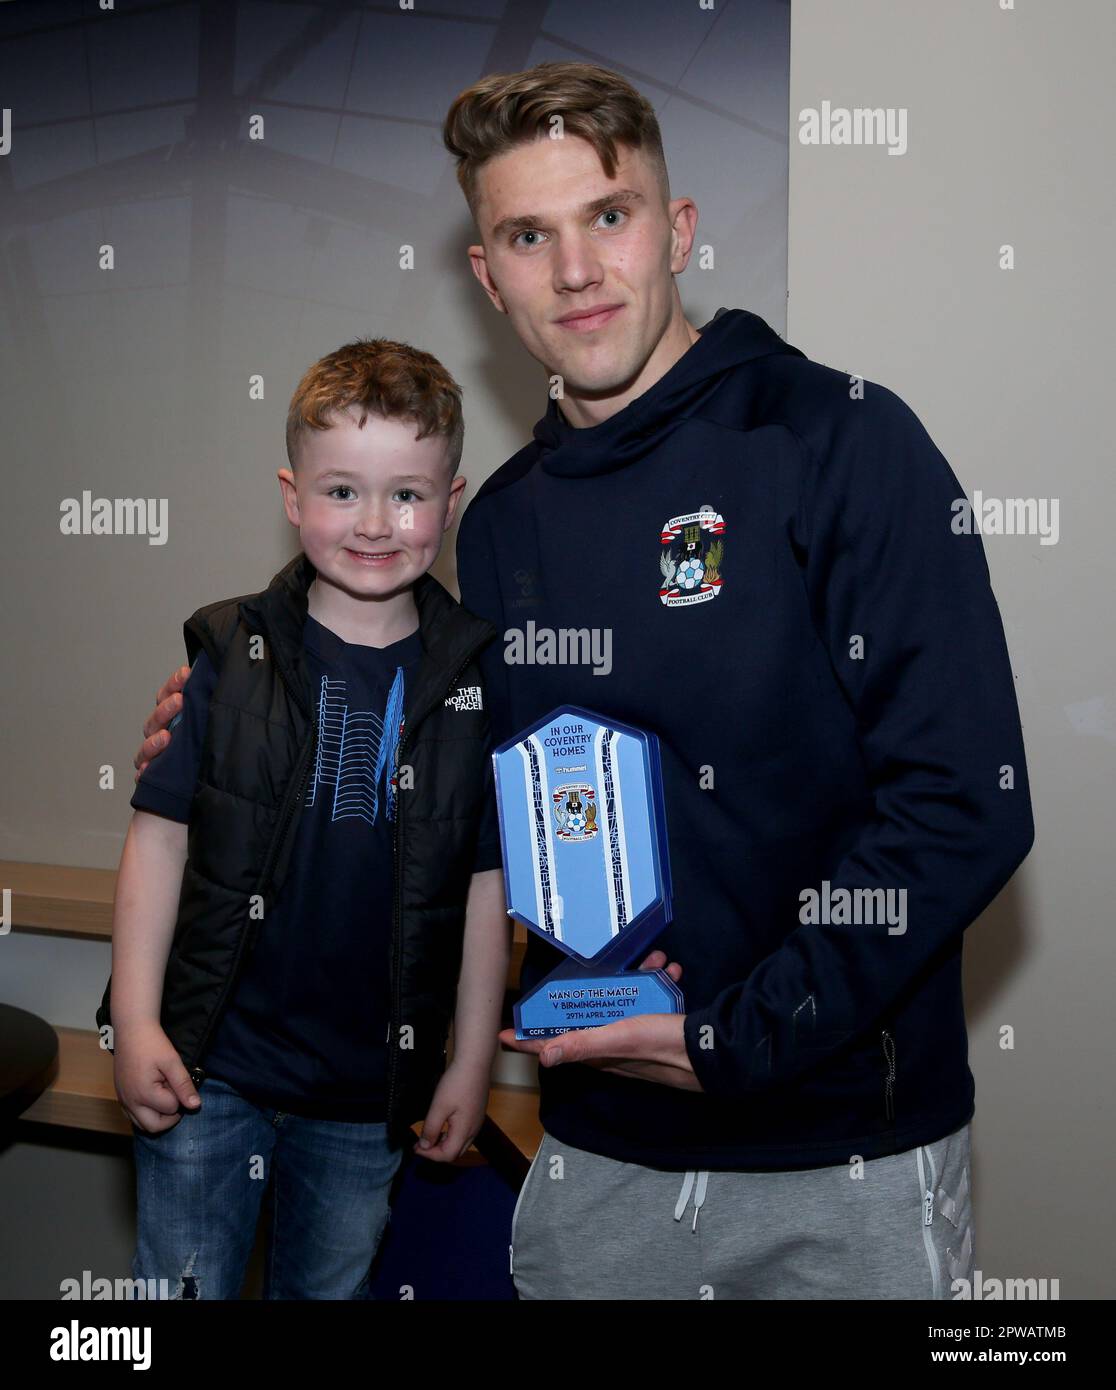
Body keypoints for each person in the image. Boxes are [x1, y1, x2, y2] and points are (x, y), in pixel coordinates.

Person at [139, 61, 1035, 1301]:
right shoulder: (499, 527)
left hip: (842, 1158)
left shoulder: (841, 440)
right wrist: (237, 725)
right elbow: (483, 800)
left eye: (607, 217)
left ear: (675, 232)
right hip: (602, 1149)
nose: (574, 270)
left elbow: (963, 802)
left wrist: (736, 1032)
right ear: (487, 274)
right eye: (527, 234)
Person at [97, 339, 512, 1299]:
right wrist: (134, 1018)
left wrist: (468, 1065)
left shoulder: (475, 690)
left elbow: (486, 892)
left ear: (450, 504)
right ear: (292, 496)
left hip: (366, 1101)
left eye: (407, 494)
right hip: (209, 1073)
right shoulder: (227, 657)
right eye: (341, 492)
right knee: (175, 1292)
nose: (374, 523)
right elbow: (158, 842)